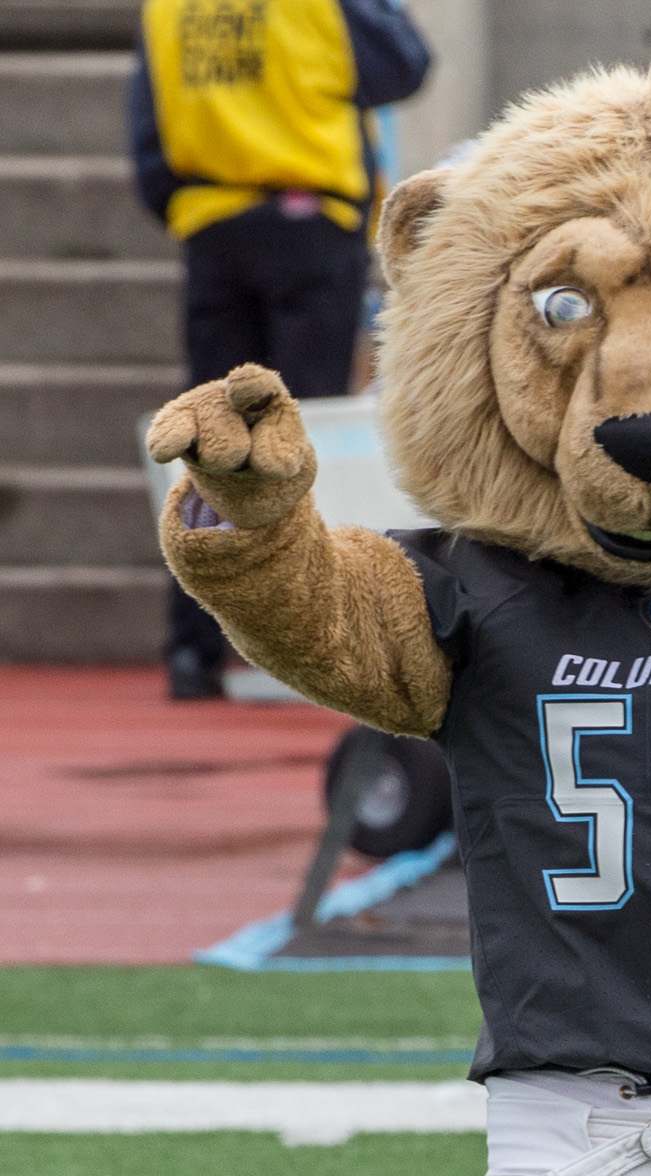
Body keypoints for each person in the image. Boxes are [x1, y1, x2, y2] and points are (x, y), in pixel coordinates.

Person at [130, 0, 431, 698]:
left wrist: (189, 205)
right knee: (300, 437)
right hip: (311, 219)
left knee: (209, 438)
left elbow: (148, 129)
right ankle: (308, 641)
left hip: (212, 224)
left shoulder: (168, 8)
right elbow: (404, 65)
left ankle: (193, 649)